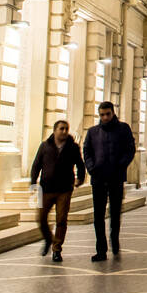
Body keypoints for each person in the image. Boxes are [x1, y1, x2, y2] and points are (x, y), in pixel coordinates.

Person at [82, 101, 135, 262]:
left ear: (113, 113)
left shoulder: (123, 129)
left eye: (107, 114)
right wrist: (91, 168)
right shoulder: (92, 132)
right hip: (98, 178)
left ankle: (114, 238)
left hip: (116, 177)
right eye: (102, 114)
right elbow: (87, 151)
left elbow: (130, 149)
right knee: (98, 215)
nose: (105, 117)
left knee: (115, 212)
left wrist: (120, 166)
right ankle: (101, 249)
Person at [30, 119, 84, 262]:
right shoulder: (45, 146)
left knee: (61, 219)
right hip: (45, 188)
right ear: (55, 130)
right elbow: (36, 165)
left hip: (64, 189)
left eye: (66, 129)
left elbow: (80, 164)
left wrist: (80, 178)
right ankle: (49, 239)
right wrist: (32, 183)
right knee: (40, 218)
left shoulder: (73, 147)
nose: (65, 131)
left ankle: (56, 249)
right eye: (62, 128)